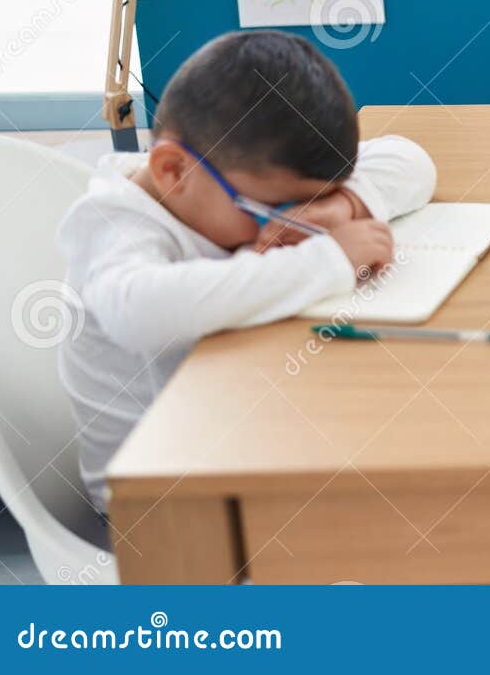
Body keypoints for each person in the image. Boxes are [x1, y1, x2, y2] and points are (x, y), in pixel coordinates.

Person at [57, 30, 436, 511]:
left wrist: (344, 204)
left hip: (235, 418)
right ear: (172, 170)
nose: (287, 220)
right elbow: (140, 310)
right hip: (164, 499)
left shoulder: (201, 178)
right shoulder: (114, 224)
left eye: (302, 202)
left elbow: (412, 160)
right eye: (271, 209)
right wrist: (329, 260)